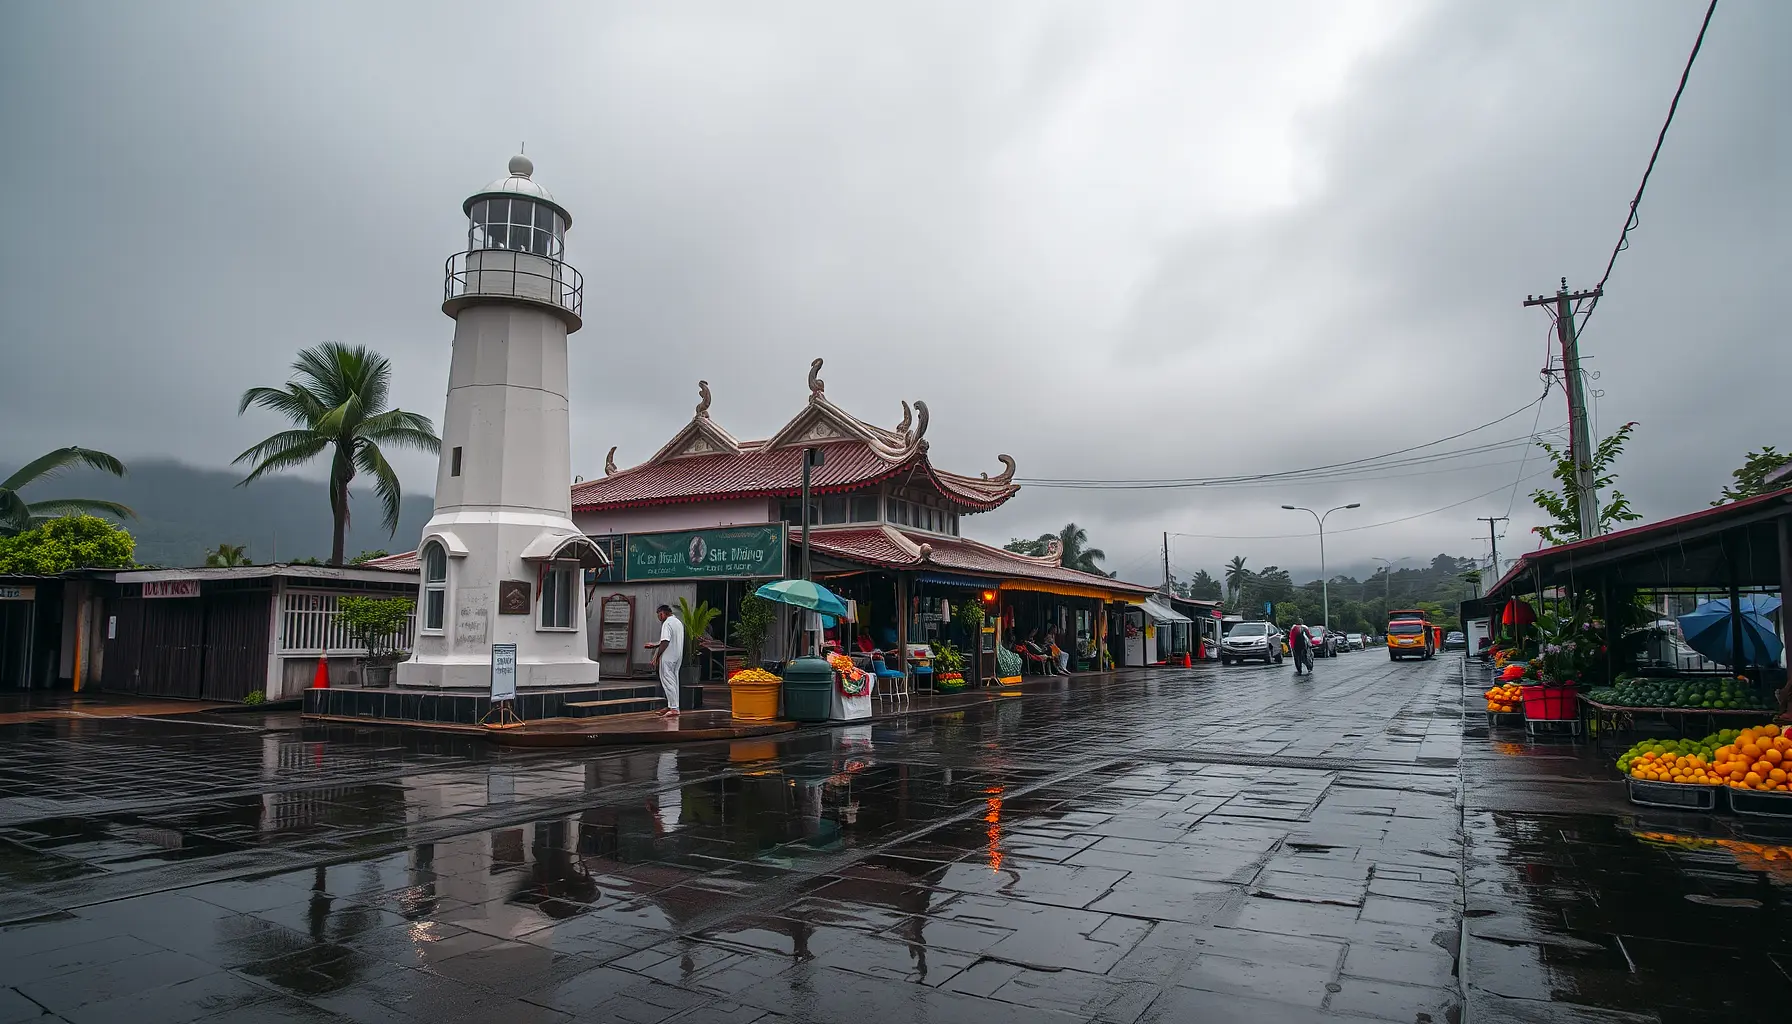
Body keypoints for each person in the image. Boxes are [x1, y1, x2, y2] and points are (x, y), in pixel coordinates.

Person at [647, 604, 685, 717]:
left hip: (668, 656)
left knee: (668, 681)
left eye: (659, 615)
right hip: (677, 656)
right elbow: (668, 640)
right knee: (674, 681)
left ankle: (674, 708)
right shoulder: (678, 622)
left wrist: (657, 657)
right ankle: (672, 705)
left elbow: (665, 642)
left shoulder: (667, 623)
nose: (659, 617)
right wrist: (654, 645)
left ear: (662, 613)